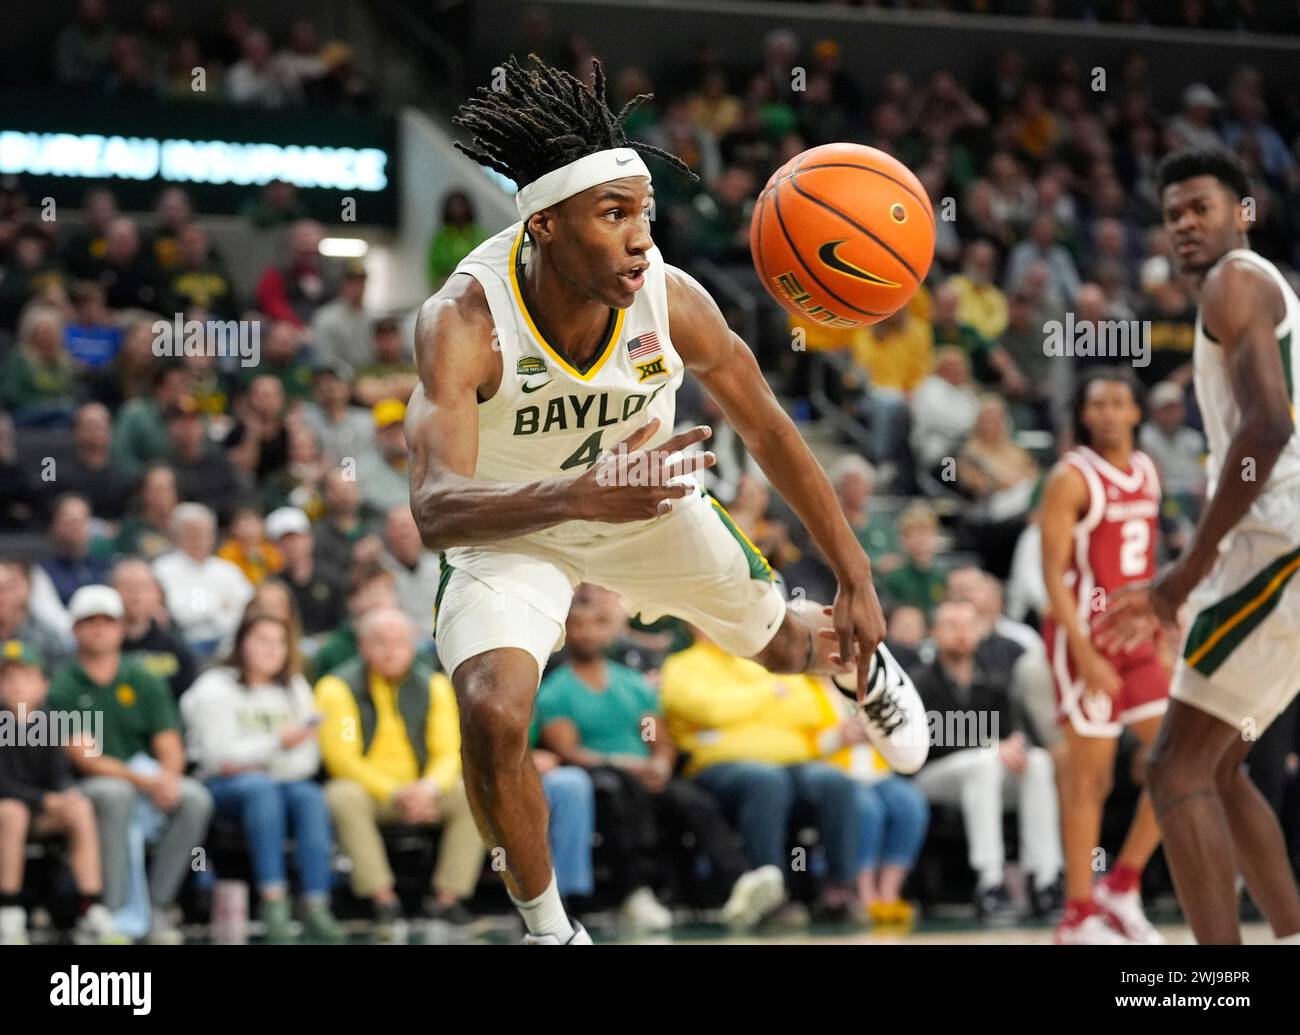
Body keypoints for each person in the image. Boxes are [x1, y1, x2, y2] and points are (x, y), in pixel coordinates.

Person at [412, 54, 926, 944]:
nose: (642, 238)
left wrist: (856, 570)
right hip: (509, 528)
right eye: (613, 216)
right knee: (493, 710)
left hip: (645, 503)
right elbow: (434, 509)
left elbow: (769, 431)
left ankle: (859, 667)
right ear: (543, 225)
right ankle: (551, 931)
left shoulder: (670, 299)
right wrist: (575, 494)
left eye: (644, 212)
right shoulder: (464, 321)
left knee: (780, 648)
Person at [1099, 149, 1300, 945]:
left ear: (1241, 212)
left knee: (1174, 767)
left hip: (1278, 546)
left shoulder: (1234, 281)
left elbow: (1269, 425)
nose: (1184, 224)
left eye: (1201, 208)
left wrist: (1181, 579)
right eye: (1173, 213)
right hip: (1282, 549)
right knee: (1216, 765)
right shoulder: (1257, 288)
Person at [538, 587, 785, 931]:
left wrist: (660, 762)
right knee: (618, 792)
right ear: (565, 633)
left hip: (644, 774)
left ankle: (738, 884)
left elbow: (653, 734)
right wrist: (624, 764)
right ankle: (635, 893)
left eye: (597, 624)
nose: (589, 633)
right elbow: (568, 749)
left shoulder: (632, 684)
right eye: (578, 625)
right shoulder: (556, 690)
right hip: (601, 774)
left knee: (695, 801)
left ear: (608, 630)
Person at [1040, 369, 1170, 945]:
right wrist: (1084, 650)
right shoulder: (1071, 478)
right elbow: (1052, 574)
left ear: (1137, 413)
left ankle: (1122, 884)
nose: (1111, 413)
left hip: (1138, 640)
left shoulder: (1147, 470)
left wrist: (1160, 625)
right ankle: (1077, 914)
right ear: (1086, 415)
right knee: (1089, 783)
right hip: (1083, 641)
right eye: (1099, 404)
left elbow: (1145, 562)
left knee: (1182, 765)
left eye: (1120, 403)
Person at [47, 585, 213, 944]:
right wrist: (145, 780)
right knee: (116, 793)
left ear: (121, 628)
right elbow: (84, 757)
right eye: (88, 622)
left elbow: (169, 741)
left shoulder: (143, 678)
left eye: (106, 621)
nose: (98, 630)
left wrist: (168, 777)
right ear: (75, 630)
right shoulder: (63, 686)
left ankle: (157, 906)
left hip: (145, 777)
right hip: (87, 786)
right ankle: (114, 911)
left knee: (196, 798)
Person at [315, 608, 486, 938]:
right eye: (381, 642)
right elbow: (343, 759)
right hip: (372, 794)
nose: (391, 650)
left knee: (471, 792)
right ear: (363, 647)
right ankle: (383, 899)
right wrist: (397, 793)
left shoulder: (434, 686)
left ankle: (446, 899)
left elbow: (447, 751)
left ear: (413, 647)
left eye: (400, 642)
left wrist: (429, 788)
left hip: (422, 791)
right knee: (342, 794)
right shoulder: (338, 690)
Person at [181, 612, 343, 943]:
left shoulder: (295, 688)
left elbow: (308, 757)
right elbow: (217, 756)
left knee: (310, 797)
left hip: (276, 781)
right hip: (219, 786)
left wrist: (256, 759)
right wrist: (277, 745)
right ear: (242, 644)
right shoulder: (215, 686)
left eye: (280, 643)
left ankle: (316, 905)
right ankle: (274, 903)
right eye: (263, 641)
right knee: (261, 789)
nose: (273, 650)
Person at [912, 601, 1063, 921]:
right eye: (952, 625)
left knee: (1038, 762)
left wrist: (1014, 745)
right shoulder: (919, 682)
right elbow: (929, 741)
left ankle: (1045, 878)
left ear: (981, 632)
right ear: (935, 633)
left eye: (969, 625)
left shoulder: (994, 681)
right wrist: (992, 745)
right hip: (930, 776)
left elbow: (1008, 735)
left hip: (986, 773)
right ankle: (990, 882)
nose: (962, 633)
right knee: (985, 762)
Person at [0, 639, 127, 945]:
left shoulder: (49, 722)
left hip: (38, 813)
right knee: (12, 812)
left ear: (43, 685)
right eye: (9, 677)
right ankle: (9, 913)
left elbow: (58, 776)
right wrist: (45, 799)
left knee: (79, 807)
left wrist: (66, 794)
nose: (18, 685)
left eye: (26, 676)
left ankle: (91, 909)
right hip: (9, 812)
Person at [152, 503, 254, 658]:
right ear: (178, 535)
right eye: (193, 533)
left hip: (228, 643)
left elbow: (248, 605)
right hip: (182, 644)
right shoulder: (163, 569)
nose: (201, 539)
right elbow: (181, 612)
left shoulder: (227, 570)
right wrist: (220, 607)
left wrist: (214, 613)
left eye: (206, 533)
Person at [113, 558, 197, 699]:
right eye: (127, 587)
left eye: (143, 587)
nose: (136, 595)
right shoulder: (101, 648)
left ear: (158, 594)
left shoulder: (176, 648)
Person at [39, 494, 111, 607]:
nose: (75, 527)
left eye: (81, 521)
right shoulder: (42, 574)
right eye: (69, 521)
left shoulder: (106, 567)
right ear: (53, 525)